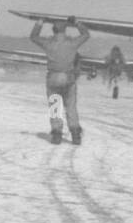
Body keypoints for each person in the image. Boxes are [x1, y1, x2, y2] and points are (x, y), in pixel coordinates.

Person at [31, 17, 91, 145]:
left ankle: (57, 134)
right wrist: (77, 23)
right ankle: (75, 134)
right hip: (69, 77)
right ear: (65, 30)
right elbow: (86, 34)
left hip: (53, 77)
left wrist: (40, 22)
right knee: (71, 106)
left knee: (55, 106)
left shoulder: (48, 43)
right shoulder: (72, 43)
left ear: (53, 30)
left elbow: (33, 37)